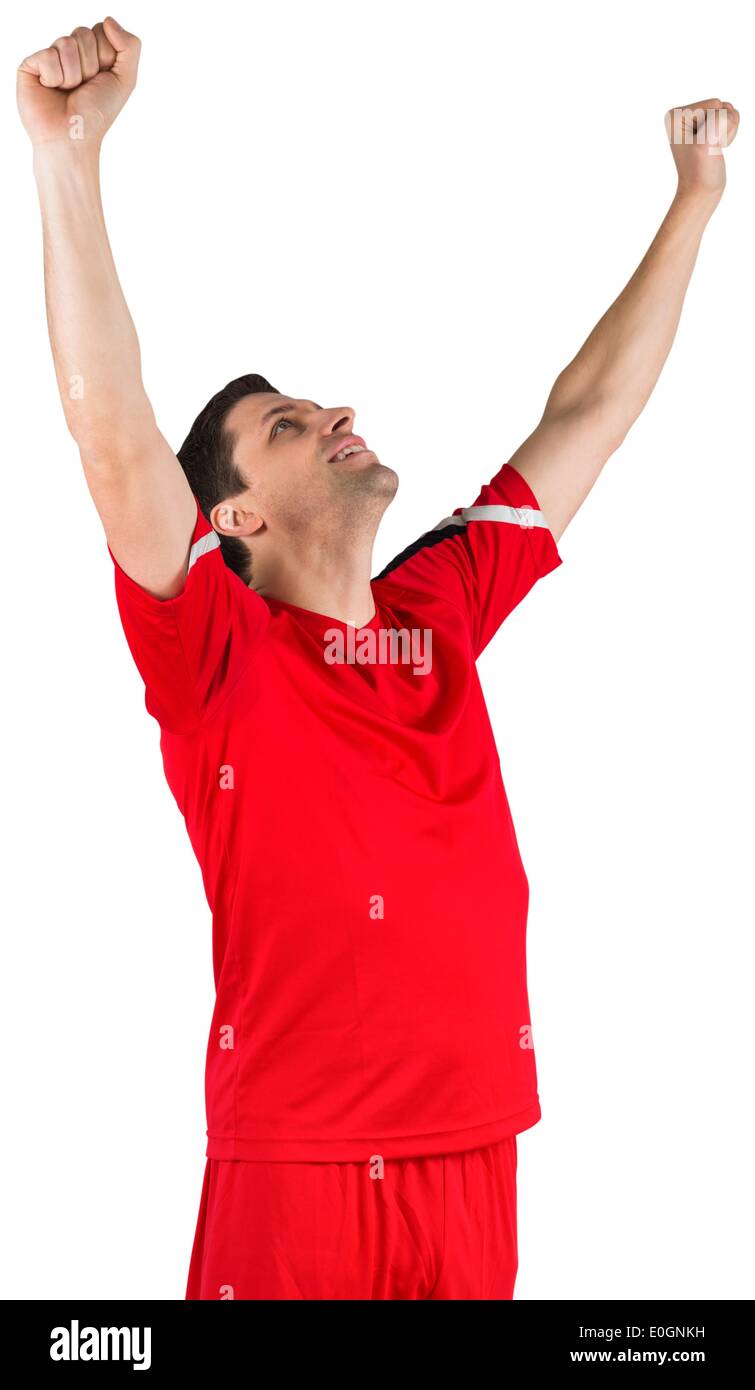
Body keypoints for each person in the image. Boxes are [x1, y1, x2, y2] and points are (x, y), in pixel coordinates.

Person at [17, 16, 738, 1301]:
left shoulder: (443, 602)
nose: (335, 412)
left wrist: (692, 204)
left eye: (317, 402)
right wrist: (66, 157)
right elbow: (115, 436)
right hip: (295, 1169)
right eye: (287, 426)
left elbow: (587, 412)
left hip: (474, 1151)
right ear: (229, 520)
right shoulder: (214, 652)